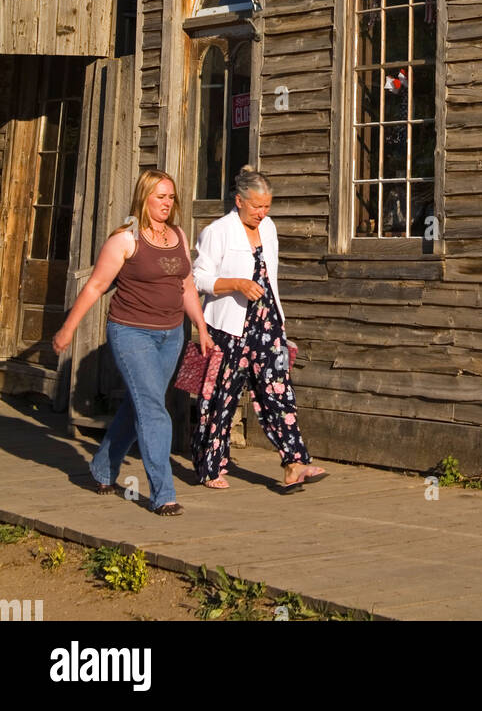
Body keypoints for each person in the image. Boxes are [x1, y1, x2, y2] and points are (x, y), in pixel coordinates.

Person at [52, 170, 212, 516]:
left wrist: (200, 325)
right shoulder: (125, 239)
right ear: (144, 198)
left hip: (171, 334)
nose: (166, 203)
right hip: (131, 332)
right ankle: (163, 494)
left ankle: (102, 470)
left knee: (141, 403)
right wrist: (68, 329)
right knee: (154, 409)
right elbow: (96, 286)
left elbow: (185, 285)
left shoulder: (179, 235)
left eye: (170, 197)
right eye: (159, 197)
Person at [191, 165, 326, 491]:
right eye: (257, 207)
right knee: (221, 397)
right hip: (229, 328)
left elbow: (269, 276)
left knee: (278, 394)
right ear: (239, 201)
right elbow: (198, 278)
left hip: (268, 326)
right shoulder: (217, 231)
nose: (262, 213)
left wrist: (278, 318)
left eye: (267, 206)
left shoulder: (268, 228)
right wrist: (235, 283)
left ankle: (295, 463)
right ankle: (210, 468)